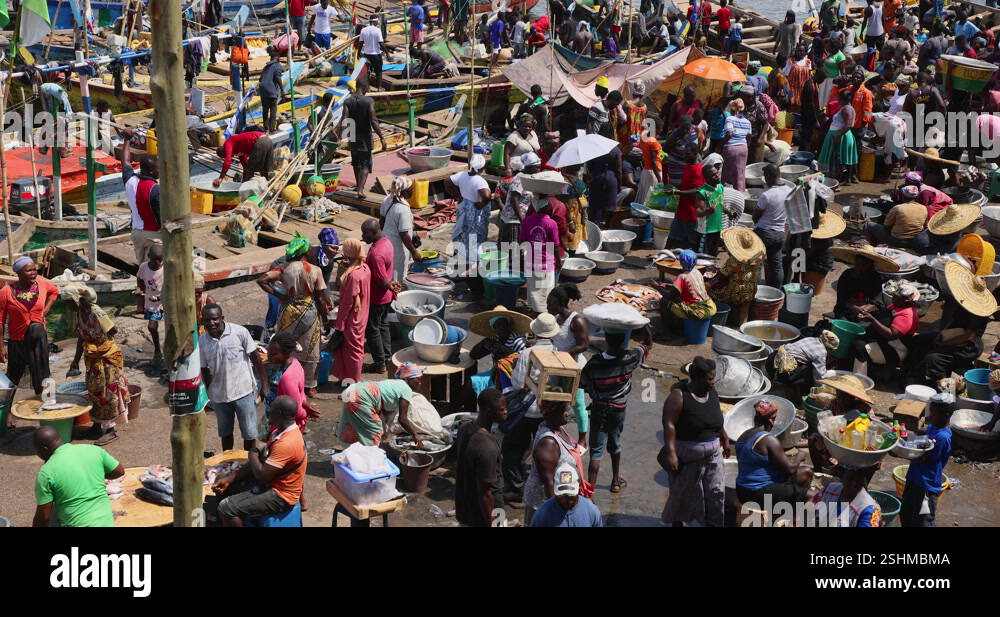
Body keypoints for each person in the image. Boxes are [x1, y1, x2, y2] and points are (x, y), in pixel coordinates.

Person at [579, 315, 652, 494]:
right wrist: (645, 324)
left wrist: (593, 391)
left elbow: (582, 383)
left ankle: (589, 491)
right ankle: (615, 480)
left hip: (599, 409)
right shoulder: (630, 357)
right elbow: (648, 344)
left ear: (606, 339)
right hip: (619, 409)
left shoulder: (594, 362)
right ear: (623, 340)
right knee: (616, 444)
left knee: (596, 451)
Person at [213, 395, 306, 526]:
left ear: (280, 413)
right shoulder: (280, 432)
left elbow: (263, 476)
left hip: (281, 496)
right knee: (222, 484)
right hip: (272, 484)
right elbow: (258, 463)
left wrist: (252, 455)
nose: (268, 412)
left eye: (271, 409)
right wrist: (229, 479)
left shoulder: (287, 442)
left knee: (226, 508)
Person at [257, 233, 331, 394]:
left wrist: (279, 295)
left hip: (288, 312)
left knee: (285, 346)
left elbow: (261, 280)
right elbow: (319, 298)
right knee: (310, 348)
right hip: (309, 314)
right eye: (310, 248)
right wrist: (325, 319)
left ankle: (284, 379)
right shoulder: (315, 270)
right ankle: (309, 386)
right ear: (306, 251)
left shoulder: (283, 269)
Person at [661, 356, 729, 527]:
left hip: (713, 454)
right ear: (697, 378)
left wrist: (725, 439)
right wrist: (671, 452)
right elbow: (669, 424)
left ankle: (712, 524)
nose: (714, 382)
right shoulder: (679, 396)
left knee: (716, 491)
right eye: (710, 378)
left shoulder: (712, 393)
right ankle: (678, 523)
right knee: (683, 494)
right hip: (687, 455)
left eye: (714, 377)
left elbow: (716, 418)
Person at [63, 284, 131, 446]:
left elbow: (112, 330)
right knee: (95, 391)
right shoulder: (79, 313)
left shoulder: (95, 311)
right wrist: (75, 360)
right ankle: (97, 424)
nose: (67, 306)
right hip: (93, 357)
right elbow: (81, 338)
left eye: (68, 302)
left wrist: (98, 340)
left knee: (109, 392)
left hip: (107, 357)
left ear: (77, 299)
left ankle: (110, 430)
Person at [910, 262, 995, 385]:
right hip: (953, 334)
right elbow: (952, 320)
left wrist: (944, 342)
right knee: (918, 340)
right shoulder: (961, 299)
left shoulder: (980, 311)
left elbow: (968, 335)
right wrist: (942, 334)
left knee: (933, 358)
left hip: (968, 346)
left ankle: (939, 384)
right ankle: (914, 372)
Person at [200, 303, 269, 452]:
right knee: (225, 434)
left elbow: (255, 358)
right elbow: (204, 369)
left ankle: (249, 463)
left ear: (222, 318)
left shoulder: (239, 332)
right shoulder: (203, 341)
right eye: (207, 320)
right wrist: (208, 392)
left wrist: (264, 383)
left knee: (249, 434)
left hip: (243, 392)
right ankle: (228, 462)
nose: (211, 323)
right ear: (202, 321)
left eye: (214, 319)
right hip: (220, 397)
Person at [32, 426, 125, 527]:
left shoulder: (46, 472)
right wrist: (96, 475)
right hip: (106, 524)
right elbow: (119, 471)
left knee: (52, 512)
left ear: (44, 449)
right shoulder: (93, 450)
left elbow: (44, 517)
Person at [523, 400, 593, 525]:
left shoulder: (558, 428)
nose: (568, 413)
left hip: (562, 498)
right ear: (550, 413)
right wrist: (556, 515)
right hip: (545, 504)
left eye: (568, 409)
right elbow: (548, 483)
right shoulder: (548, 443)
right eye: (563, 411)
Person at [735, 399, 813, 507]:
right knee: (811, 495)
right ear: (771, 421)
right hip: (756, 493)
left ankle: (791, 507)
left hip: (741, 490)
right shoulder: (769, 440)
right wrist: (799, 456)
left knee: (806, 473)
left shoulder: (743, 435)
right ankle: (797, 518)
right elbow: (790, 469)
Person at [0, 257, 58, 398]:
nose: (33, 273)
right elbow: (0, 321)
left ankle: (43, 404)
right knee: (13, 375)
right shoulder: (7, 292)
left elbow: (54, 291)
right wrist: (1, 347)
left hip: (39, 340)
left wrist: (46, 310)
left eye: (34, 270)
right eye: (28, 270)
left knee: (41, 373)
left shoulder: (42, 284)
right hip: (18, 340)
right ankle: (7, 412)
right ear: (19, 273)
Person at [455, 388, 507, 527]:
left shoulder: (465, 429)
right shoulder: (487, 448)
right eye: (502, 409)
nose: (506, 411)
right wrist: (492, 524)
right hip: (488, 513)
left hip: (465, 507)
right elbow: (486, 494)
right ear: (489, 412)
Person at [900, 396, 953, 527]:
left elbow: (924, 459)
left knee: (923, 521)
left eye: (934, 413)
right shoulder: (932, 427)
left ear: (946, 415)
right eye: (931, 411)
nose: (930, 415)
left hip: (926, 488)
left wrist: (900, 452)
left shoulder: (943, 437)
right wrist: (915, 434)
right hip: (913, 479)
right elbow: (924, 435)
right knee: (906, 514)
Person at [547, 284, 590, 445]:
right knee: (558, 400)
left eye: (549, 303)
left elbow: (584, 345)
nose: (547, 306)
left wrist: (562, 355)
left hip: (575, 369)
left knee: (578, 404)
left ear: (559, 303)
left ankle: (583, 438)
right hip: (559, 367)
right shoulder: (557, 319)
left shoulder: (576, 320)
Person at [338, 367, 423, 447]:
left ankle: (353, 449)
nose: (420, 382)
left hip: (352, 390)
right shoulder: (406, 389)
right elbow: (402, 419)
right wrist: (415, 435)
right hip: (360, 397)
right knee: (375, 430)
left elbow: (382, 404)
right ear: (409, 379)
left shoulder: (395, 383)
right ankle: (370, 455)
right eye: (417, 378)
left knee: (355, 423)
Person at [853, 284, 920, 375]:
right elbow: (884, 317)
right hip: (885, 341)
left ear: (907, 300)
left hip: (895, 349)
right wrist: (868, 314)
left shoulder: (907, 315)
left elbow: (891, 334)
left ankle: (860, 378)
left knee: (860, 346)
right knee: (857, 335)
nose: (893, 298)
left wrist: (872, 319)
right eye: (894, 295)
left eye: (896, 297)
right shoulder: (897, 305)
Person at [338, 78, 386, 200]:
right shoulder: (369, 100)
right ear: (365, 88)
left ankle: (358, 185)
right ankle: (360, 189)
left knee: (356, 161)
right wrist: (381, 137)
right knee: (365, 162)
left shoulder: (348, 101)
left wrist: (341, 137)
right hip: (365, 135)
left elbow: (345, 119)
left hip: (353, 134)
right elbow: (373, 120)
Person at [117, 129, 161, 262]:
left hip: (136, 234)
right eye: (159, 168)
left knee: (142, 268)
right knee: (155, 270)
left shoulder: (130, 181)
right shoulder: (155, 189)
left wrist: (127, 139)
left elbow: (125, 161)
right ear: (152, 170)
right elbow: (161, 216)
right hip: (154, 235)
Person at [331, 238, 371, 386]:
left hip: (353, 319)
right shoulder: (365, 268)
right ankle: (345, 378)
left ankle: (354, 384)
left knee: (353, 352)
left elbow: (348, 302)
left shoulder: (353, 275)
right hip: (362, 314)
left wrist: (340, 322)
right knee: (348, 350)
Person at [362, 220, 399, 376]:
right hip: (386, 297)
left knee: (372, 330)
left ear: (375, 232)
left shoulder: (377, 254)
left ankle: (379, 364)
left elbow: (382, 281)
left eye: (365, 233)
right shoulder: (386, 243)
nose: (363, 236)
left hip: (377, 297)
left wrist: (390, 285)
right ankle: (386, 357)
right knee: (383, 325)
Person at [708, 227, 763, 327]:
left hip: (737, 291)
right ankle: (742, 325)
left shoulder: (734, 261)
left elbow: (721, 276)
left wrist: (710, 278)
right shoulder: (756, 259)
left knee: (712, 290)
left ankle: (726, 318)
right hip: (751, 290)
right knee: (744, 306)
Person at [520, 191, 562, 313]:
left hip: (531, 263)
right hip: (546, 264)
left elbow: (522, 242)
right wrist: (558, 262)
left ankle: (533, 310)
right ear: (546, 207)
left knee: (533, 289)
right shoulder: (551, 223)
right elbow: (555, 246)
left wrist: (523, 259)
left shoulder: (526, 221)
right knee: (545, 291)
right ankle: (543, 314)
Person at [530, 462, 604, 527]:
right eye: (562, 495)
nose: (566, 500)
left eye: (570, 495)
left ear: (579, 486)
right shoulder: (542, 515)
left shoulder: (592, 511)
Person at [768, 330, 840, 395]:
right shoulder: (821, 352)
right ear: (829, 348)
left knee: (806, 363)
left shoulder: (810, 339)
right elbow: (820, 376)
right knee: (809, 372)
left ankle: (775, 379)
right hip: (781, 369)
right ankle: (799, 395)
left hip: (771, 359)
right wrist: (822, 390)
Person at [753, 164, 791, 288]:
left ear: (769, 176)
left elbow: (755, 217)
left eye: (765, 176)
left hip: (763, 233)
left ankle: (755, 290)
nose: (765, 179)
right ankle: (777, 292)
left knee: (756, 263)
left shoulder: (767, 195)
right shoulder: (788, 190)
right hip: (780, 234)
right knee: (776, 264)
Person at [379, 175, 422, 282]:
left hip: (385, 243)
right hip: (397, 248)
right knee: (397, 277)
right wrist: (414, 252)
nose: (413, 190)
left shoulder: (386, 200)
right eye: (411, 188)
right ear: (404, 191)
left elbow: (382, 221)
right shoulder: (403, 209)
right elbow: (403, 234)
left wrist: (380, 240)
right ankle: (395, 296)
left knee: (387, 271)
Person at [809, 467, 883, 526]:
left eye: (858, 480)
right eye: (850, 478)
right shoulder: (829, 489)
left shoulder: (868, 510)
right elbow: (808, 511)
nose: (854, 483)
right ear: (843, 477)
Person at [829, 247, 887, 320]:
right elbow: (842, 299)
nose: (860, 267)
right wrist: (855, 308)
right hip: (846, 310)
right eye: (858, 263)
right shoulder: (846, 275)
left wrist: (866, 309)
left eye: (864, 264)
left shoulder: (875, 277)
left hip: (867, 310)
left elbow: (877, 298)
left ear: (870, 265)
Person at [667, 249, 718, 323]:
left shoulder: (682, 277)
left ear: (681, 262)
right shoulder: (697, 272)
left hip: (700, 311)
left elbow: (670, 296)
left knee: (666, 302)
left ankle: (670, 330)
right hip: (711, 305)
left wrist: (656, 286)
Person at [136, 245, 165, 369]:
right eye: (154, 260)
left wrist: (161, 298)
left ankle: (170, 351)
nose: (157, 263)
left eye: (160, 259)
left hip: (164, 301)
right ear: (149, 257)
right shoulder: (144, 267)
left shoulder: (165, 269)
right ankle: (158, 350)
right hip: (150, 301)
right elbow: (140, 279)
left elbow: (171, 286)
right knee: (152, 326)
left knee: (171, 327)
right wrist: (139, 290)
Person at [721, 98, 751, 190]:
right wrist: (745, 146)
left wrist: (720, 145)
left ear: (732, 108)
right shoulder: (747, 122)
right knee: (740, 173)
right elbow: (749, 138)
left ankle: (724, 193)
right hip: (743, 148)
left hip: (731, 148)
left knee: (725, 172)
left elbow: (729, 133)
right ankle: (740, 195)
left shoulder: (730, 119)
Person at [258, 47, 284, 133]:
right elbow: (278, 78)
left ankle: (266, 128)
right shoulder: (277, 65)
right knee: (273, 110)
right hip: (271, 91)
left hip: (262, 90)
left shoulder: (266, 67)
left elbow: (260, 79)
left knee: (265, 110)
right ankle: (272, 129)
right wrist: (282, 90)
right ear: (278, 59)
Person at [359, 17, 389, 89]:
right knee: (378, 72)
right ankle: (379, 87)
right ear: (375, 22)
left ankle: (367, 88)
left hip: (366, 54)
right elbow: (381, 43)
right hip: (376, 54)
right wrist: (387, 53)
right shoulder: (377, 30)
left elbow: (360, 43)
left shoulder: (363, 30)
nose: (378, 23)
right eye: (377, 22)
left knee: (367, 72)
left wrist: (358, 53)